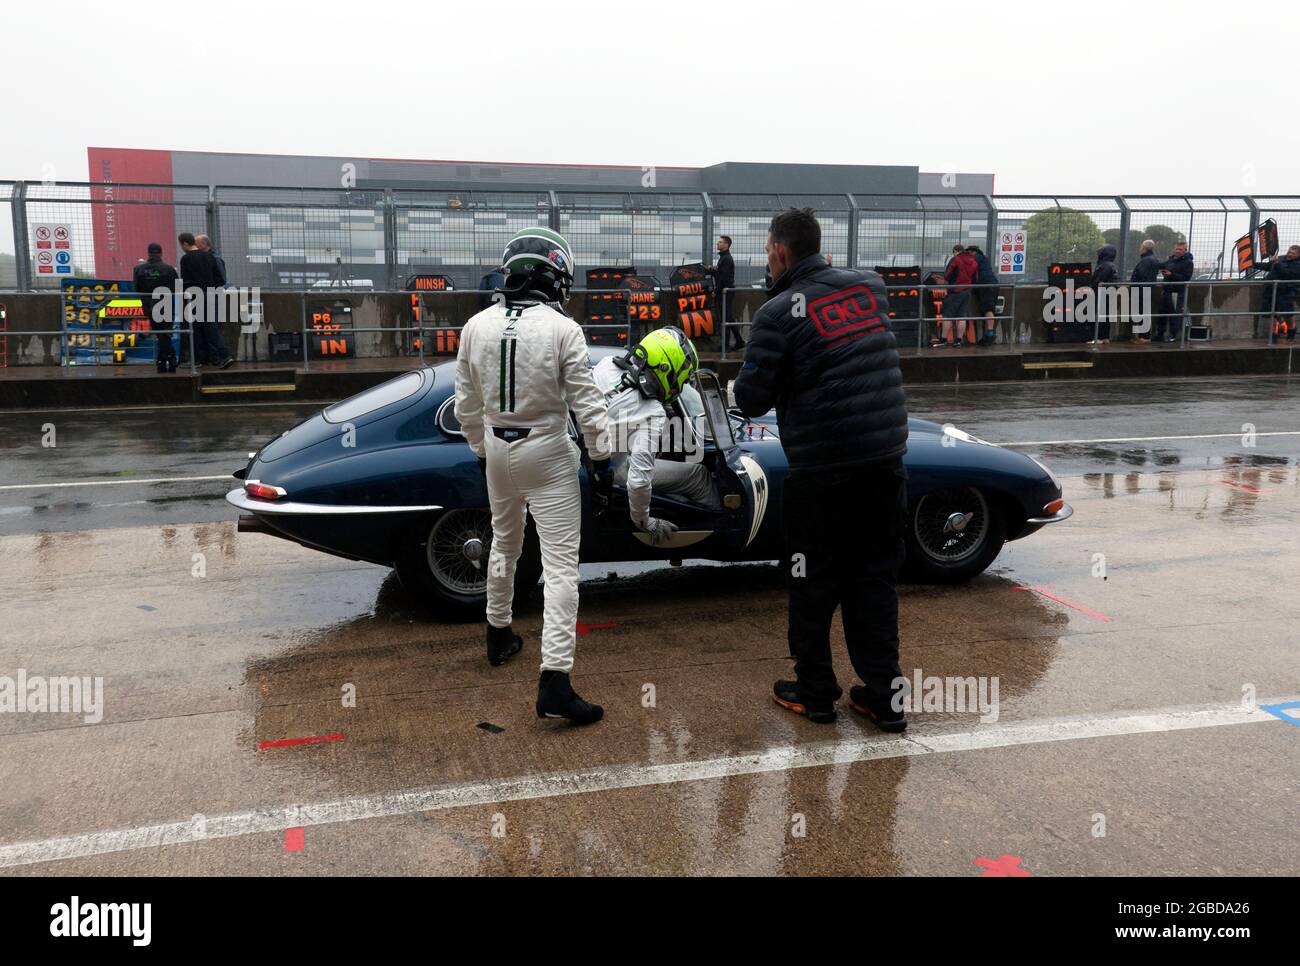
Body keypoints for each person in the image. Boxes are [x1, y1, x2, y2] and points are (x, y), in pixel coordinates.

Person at [733, 208, 910, 731]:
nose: (767, 261)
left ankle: (815, 693)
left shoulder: (776, 312)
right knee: (874, 582)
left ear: (781, 252)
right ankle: (886, 697)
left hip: (823, 472)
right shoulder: (870, 287)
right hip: (884, 465)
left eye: (768, 252)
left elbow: (751, 396)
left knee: (811, 581)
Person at [454, 227, 612, 725]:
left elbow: (465, 406)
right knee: (562, 566)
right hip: (546, 448)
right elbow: (589, 408)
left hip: (498, 445)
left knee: (505, 544)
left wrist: (483, 451)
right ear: (554, 275)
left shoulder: (474, 325)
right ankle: (555, 681)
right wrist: (603, 463)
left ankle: (498, 632)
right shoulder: (564, 329)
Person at [591, 326, 716, 543]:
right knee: (699, 476)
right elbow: (638, 481)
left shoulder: (606, 364)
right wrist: (644, 521)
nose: (680, 386)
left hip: (587, 463)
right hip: (614, 472)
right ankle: (716, 535)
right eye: (681, 380)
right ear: (668, 370)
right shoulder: (652, 412)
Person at [178, 232, 234, 369]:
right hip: (210, 295)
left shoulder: (186, 259)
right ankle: (214, 357)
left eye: (181, 245)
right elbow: (220, 279)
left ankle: (218, 356)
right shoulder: (210, 256)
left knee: (198, 329)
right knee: (210, 327)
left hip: (195, 296)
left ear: (185, 243)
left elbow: (185, 281)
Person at [133, 242, 179, 373]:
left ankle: (163, 362)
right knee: (165, 334)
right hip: (166, 304)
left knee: (160, 334)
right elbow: (177, 287)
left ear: (148, 253)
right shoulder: (169, 269)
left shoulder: (139, 269)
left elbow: (137, 288)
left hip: (149, 305)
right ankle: (169, 359)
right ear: (161, 253)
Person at [1255, 244, 1300, 341]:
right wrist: (1253, 264)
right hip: (1271, 289)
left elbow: (1286, 274)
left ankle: (1291, 331)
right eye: (1289, 252)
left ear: (1298, 255)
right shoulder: (1281, 259)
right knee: (1271, 312)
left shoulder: (1298, 265)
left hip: (1287, 291)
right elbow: (1267, 266)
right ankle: (1273, 334)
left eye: (1292, 253)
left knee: (1287, 313)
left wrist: (1276, 263)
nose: (1289, 254)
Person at [936, 245, 978, 347]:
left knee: (947, 315)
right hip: (967, 291)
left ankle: (943, 340)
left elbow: (947, 275)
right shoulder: (973, 261)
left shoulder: (956, 260)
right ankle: (959, 341)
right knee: (962, 316)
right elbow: (976, 278)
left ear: (955, 251)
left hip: (955, 291)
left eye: (953, 252)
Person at [1157, 241, 1194, 343]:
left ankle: (1173, 335)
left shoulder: (1188, 262)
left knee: (1174, 313)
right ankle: (1160, 334)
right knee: (1162, 312)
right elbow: (1162, 265)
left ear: (1185, 250)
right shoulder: (1171, 259)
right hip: (1166, 290)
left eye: (1180, 249)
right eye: (1176, 249)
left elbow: (1186, 278)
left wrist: (1171, 274)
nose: (1177, 251)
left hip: (1176, 292)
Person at [706, 236, 738, 350]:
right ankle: (738, 341)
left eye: (720, 242)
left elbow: (723, 279)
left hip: (725, 292)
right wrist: (712, 270)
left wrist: (716, 291)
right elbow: (720, 274)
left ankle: (726, 346)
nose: (717, 244)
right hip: (725, 291)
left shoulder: (726, 259)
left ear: (727, 245)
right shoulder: (724, 258)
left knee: (725, 318)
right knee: (727, 317)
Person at [1129, 239, 1161, 344]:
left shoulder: (1145, 260)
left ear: (1144, 248)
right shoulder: (1153, 259)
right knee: (1145, 312)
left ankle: (1144, 337)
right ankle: (1144, 336)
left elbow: (1142, 276)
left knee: (1142, 313)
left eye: (1141, 246)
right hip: (1148, 290)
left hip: (1142, 290)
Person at [966, 245, 1000, 346]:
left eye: (969, 252)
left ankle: (989, 334)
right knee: (988, 309)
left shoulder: (975, 259)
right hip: (992, 283)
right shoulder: (983, 259)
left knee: (988, 309)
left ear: (973, 252)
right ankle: (987, 334)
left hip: (985, 284)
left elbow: (971, 272)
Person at [1089, 244, 1119, 345]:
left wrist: (1091, 287)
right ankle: (1105, 337)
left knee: (1101, 316)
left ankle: (1099, 338)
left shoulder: (1105, 265)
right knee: (1106, 316)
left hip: (1103, 294)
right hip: (1109, 294)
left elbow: (1099, 280)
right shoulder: (1110, 265)